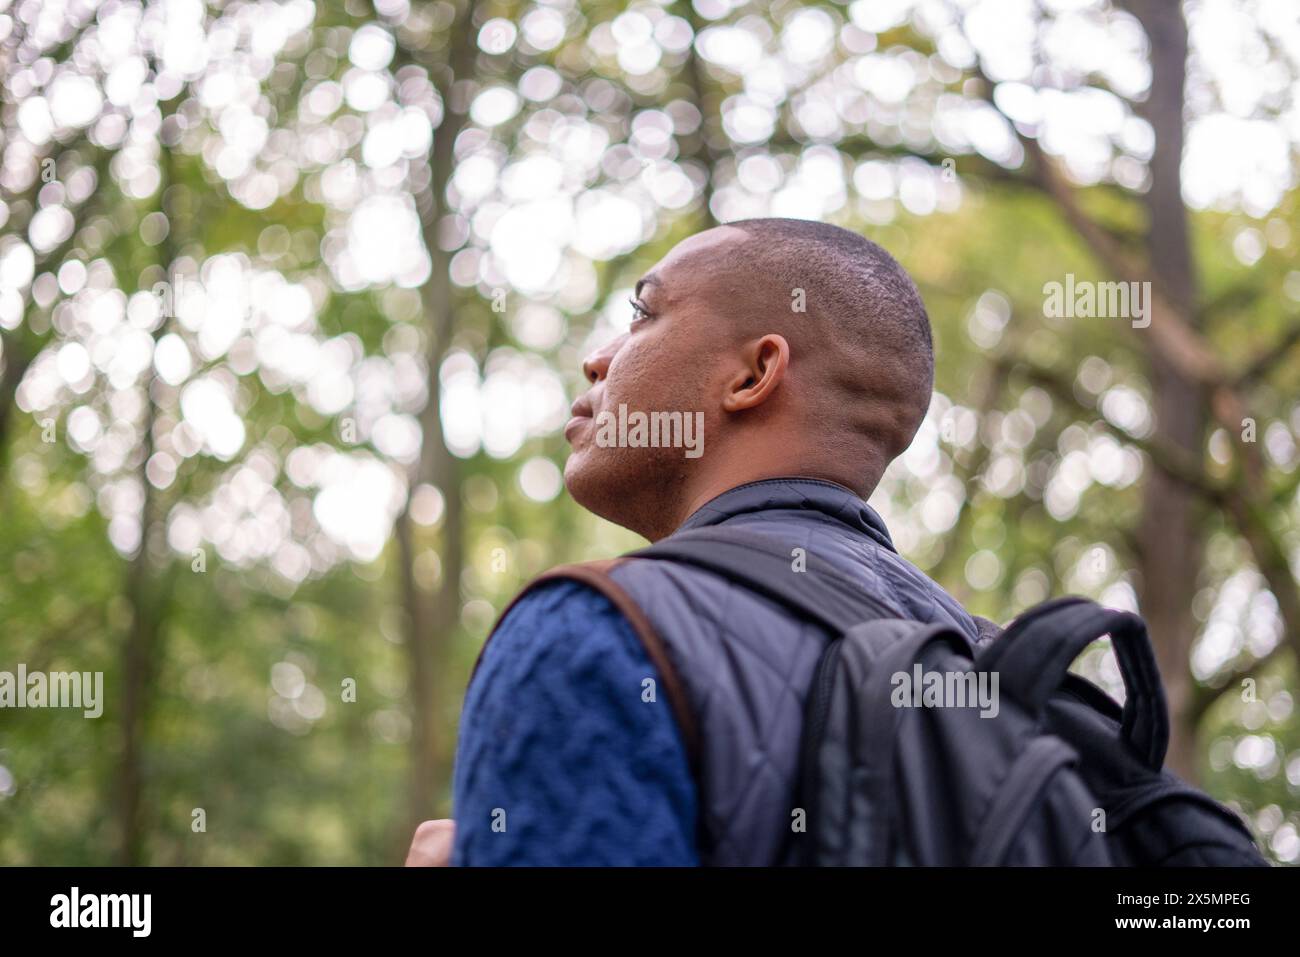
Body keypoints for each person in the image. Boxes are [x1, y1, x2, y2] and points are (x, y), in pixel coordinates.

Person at [406, 218, 981, 866]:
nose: (597, 359)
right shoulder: (992, 665)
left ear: (754, 374)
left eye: (643, 314)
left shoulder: (593, 631)